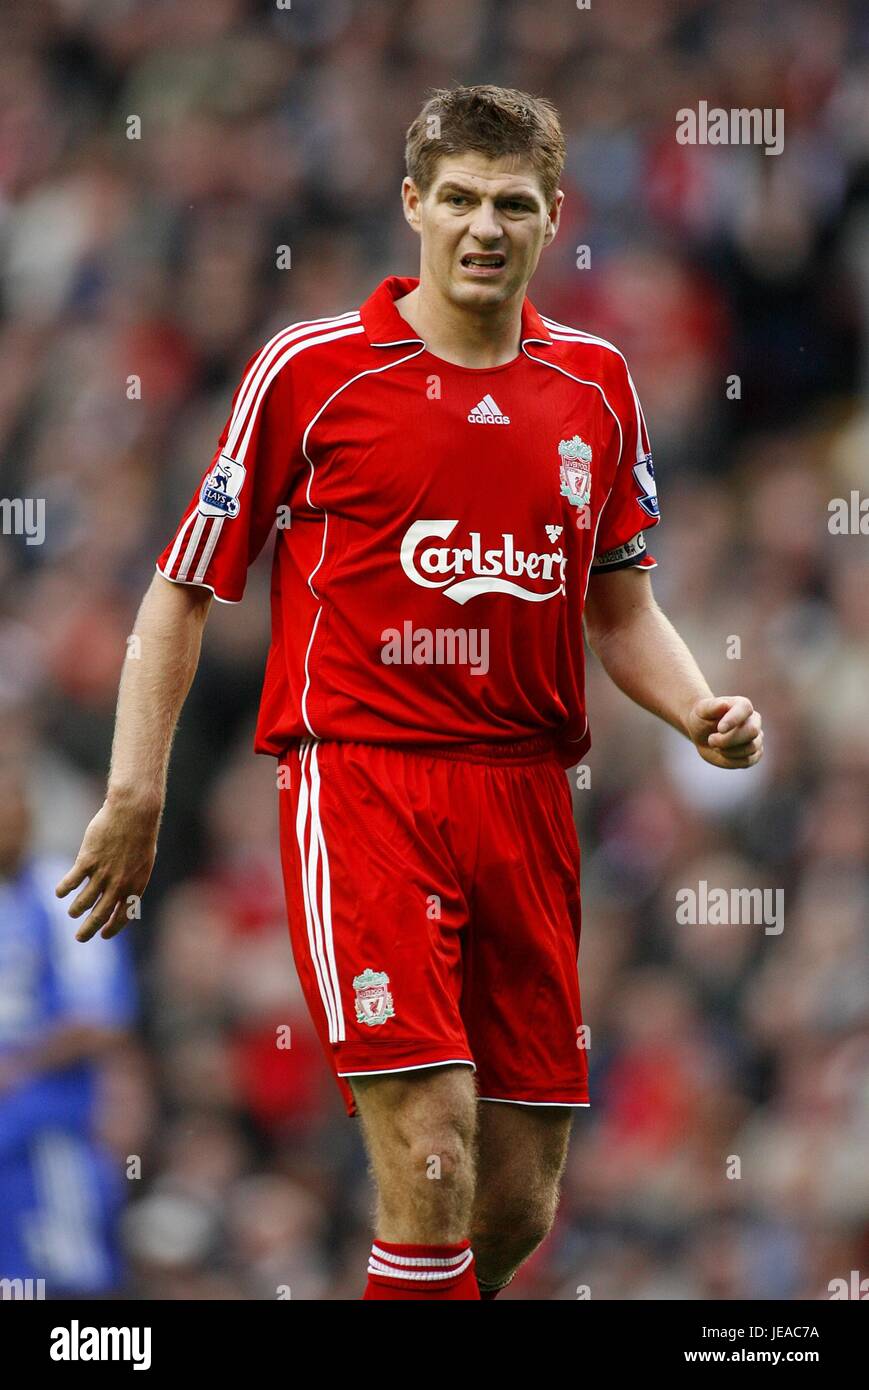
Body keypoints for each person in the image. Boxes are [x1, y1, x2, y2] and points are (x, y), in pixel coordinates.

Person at [56, 84, 763, 1301]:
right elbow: (181, 591)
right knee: (431, 1150)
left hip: (531, 798)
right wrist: (136, 790)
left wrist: (696, 707)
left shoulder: (594, 386)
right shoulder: (311, 371)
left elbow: (621, 606)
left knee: (514, 1196)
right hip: (367, 784)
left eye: (511, 204)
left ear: (552, 219)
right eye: (457, 200)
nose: (482, 227)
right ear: (411, 207)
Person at [0, 764, 136, 1297]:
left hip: (44, 1135)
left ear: (28, 815)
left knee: (63, 1283)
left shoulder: (62, 893)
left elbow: (100, 1018)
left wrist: (21, 1064)